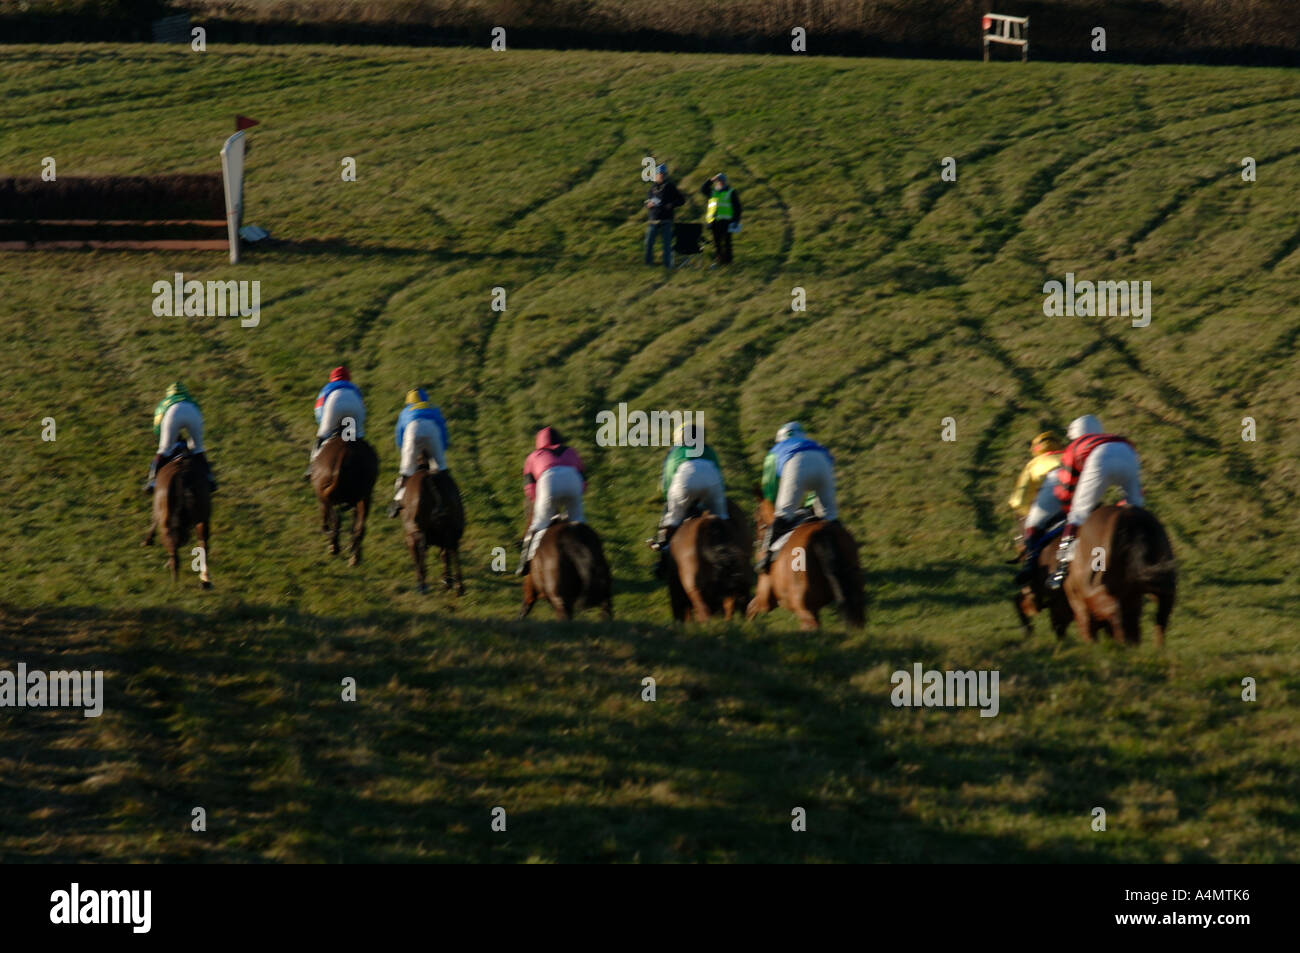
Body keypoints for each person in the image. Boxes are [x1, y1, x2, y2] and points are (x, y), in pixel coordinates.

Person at [1046, 414, 1145, 589]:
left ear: (1076, 434)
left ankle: (1061, 568)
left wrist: (1069, 509)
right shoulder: (1113, 438)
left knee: (1076, 515)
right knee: (1137, 510)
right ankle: (1142, 558)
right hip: (1128, 451)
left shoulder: (1075, 445)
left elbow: (1067, 486)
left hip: (1101, 458)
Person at [648, 423, 728, 578]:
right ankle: (732, 549)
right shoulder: (709, 450)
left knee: (671, 519)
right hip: (711, 482)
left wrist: (671, 503)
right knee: (723, 519)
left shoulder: (675, 453)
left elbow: (667, 484)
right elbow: (719, 474)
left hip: (685, 482)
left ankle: (663, 556)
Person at [756, 421, 837, 574]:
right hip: (824, 462)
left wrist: (774, 505)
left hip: (796, 464)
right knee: (830, 518)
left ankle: (766, 558)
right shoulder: (814, 444)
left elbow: (769, 487)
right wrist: (810, 506)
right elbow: (821, 481)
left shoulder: (776, 450)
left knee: (783, 515)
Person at [517, 426, 587, 576]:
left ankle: (525, 562)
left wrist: (540, 503)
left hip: (548, 482)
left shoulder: (534, 456)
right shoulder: (571, 451)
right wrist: (576, 496)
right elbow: (583, 480)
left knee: (539, 526)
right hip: (573, 479)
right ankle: (586, 557)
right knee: (579, 523)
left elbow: (530, 488)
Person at [1009, 431, 1065, 584]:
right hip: (1079, 499)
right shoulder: (1069, 456)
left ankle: (1029, 565)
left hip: (1052, 501)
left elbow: (1018, 499)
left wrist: (1025, 511)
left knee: (1032, 526)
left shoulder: (1034, 463)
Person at [387, 387, 449, 518]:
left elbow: (400, 435)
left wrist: (405, 453)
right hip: (432, 430)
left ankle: (397, 501)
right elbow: (443, 431)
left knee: (406, 471)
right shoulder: (434, 408)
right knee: (440, 469)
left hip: (412, 430)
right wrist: (441, 451)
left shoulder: (405, 411)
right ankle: (446, 501)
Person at [145, 381, 216, 495]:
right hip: (192, 413)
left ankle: (152, 481)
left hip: (172, 414)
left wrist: (164, 442)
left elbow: (157, 426)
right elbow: (200, 418)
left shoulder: (165, 402)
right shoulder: (191, 400)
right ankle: (210, 479)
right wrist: (193, 443)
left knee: (163, 450)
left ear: (169, 394)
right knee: (198, 450)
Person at [305, 365, 366, 478]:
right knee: (357, 438)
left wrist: (325, 426)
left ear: (332, 378)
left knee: (322, 436)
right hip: (355, 406)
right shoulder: (354, 387)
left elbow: (319, 409)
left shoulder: (328, 387)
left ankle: (312, 467)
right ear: (348, 378)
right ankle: (365, 467)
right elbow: (362, 408)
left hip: (334, 403)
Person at [644, 163, 684, 270]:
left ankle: (667, 266)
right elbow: (648, 200)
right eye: (659, 174)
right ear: (656, 175)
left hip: (666, 219)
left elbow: (681, 200)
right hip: (653, 219)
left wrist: (672, 204)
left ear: (666, 175)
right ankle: (648, 265)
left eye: (663, 174)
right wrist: (648, 204)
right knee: (648, 243)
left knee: (666, 245)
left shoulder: (670, 187)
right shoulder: (652, 188)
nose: (661, 175)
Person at [700, 173, 742, 265]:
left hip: (727, 221)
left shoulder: (731, 191)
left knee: (727, 243)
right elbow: (702, 189)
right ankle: (720, 261)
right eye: (719, 181)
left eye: (722, 181)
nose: (721, 182)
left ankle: (729, 261)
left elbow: (737, 207)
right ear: (716, 182)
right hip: (714, 221)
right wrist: (711, 180)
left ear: (725, 181)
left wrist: (736, 220)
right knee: (717, 243)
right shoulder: (712, 192)